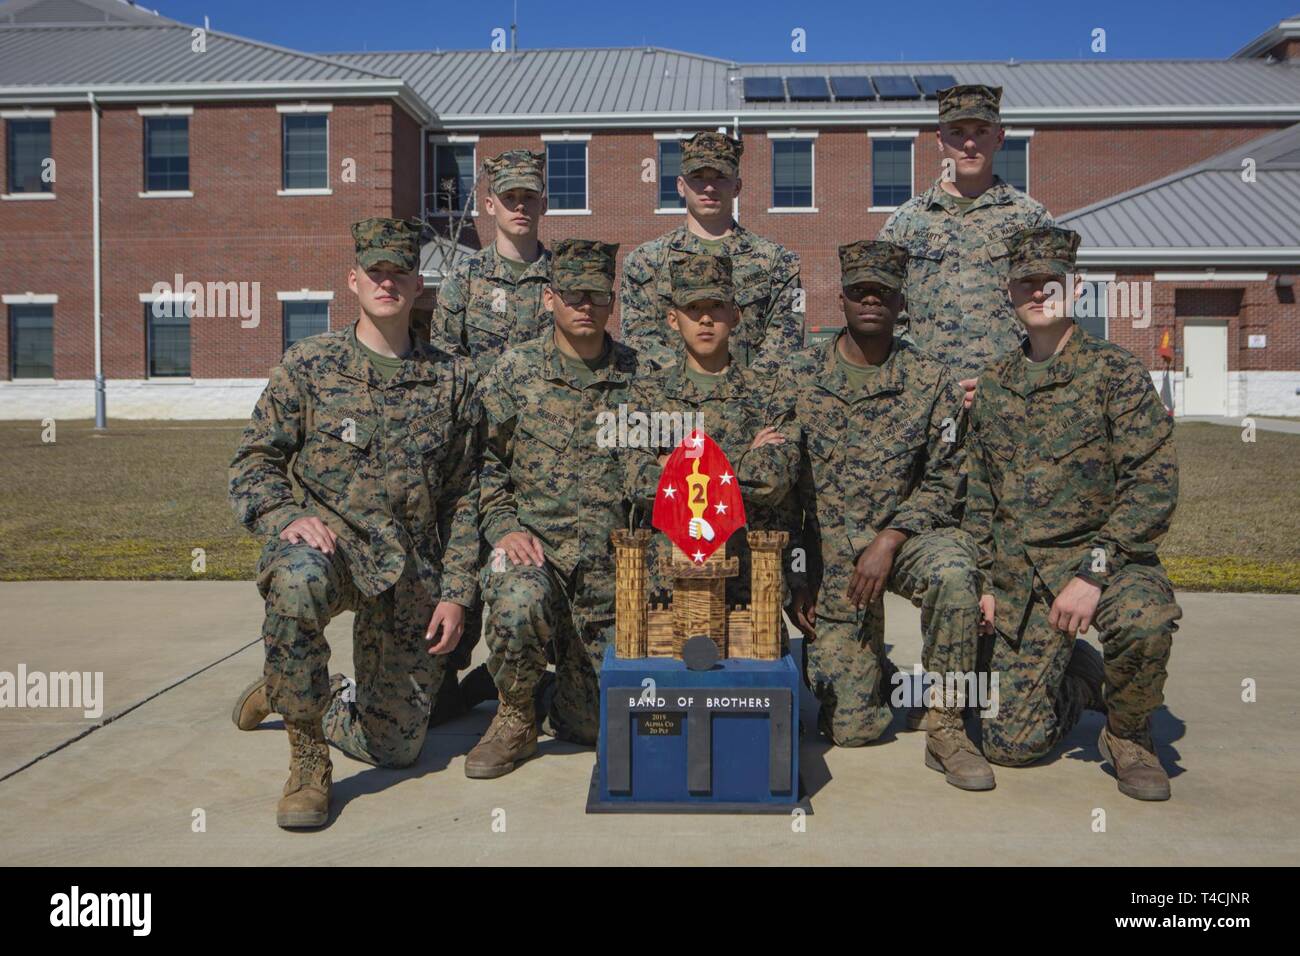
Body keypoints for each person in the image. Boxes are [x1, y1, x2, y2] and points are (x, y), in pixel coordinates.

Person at [228, 217, 482, 827]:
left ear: (419, 283)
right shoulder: (311, 365)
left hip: (409, 571)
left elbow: (466, 495)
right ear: (354, 280)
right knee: (296, 577)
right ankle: (307, 758)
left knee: (396, 749)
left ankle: (298, 687)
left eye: (400, 272)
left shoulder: (452, 377)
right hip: (333, 553)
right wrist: (287, 515)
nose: (387, 282)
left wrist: (455, 592)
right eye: (376, 272)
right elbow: (254, 460)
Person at [965, 225, 1181, 801]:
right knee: (1011, 745)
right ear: (1009, 293)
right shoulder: (994, 384)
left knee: (1145, 619)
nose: (1039, 293)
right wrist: (984, 580)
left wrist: (1092, 573)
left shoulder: (1115, 375)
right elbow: (980, 492)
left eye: (1051, 282)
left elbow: (1152, 486)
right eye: (1026, 283)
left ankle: (1129, 734)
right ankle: (1083, 678)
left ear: (1076, 289)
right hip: (1021, 577)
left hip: (1105, 563)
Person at [780, 240, 993, 790]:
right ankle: (880, 677)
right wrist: (797, 575)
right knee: (851, 728)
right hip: (829, 556)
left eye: (883, 292)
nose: (870, 300)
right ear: (843, 300)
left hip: (905, 540)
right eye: (859, 291)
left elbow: (946, 477)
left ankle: (946, 724)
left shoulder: (932, 381)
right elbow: (782, 490)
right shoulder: (798, 376)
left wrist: (891, 537)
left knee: (953, 575)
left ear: (901, 303)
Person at [465, 239, 646, 778]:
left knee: (593, 727)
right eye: (572, 294)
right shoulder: (514, 373)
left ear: (612, 301)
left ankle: (540, 683)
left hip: (611, 573)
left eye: (596, 294)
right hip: (537, 558)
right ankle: (515, 714)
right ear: (550, 299)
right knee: (515, 595)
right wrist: (502, 528)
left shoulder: (643, 376)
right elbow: (484, 465)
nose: (584, 305)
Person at [431, 147, 554, 717]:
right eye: (510, 199)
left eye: (530, 197)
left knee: (521, 576)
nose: (521, 207)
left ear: (544, 203)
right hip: (468, 462)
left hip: (535, 463)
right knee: (454, 585)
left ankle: (508, 678)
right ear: (489, 205)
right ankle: (450, 677)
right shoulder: (463, 283)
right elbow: (442, 373)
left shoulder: (564, 283)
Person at [623, 253, 800, 613]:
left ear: (735, 315)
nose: (705, 318)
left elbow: (773, 479)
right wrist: (742, 460)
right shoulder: (646, 394)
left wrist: (673, 464)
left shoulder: (772, 391)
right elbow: (636, 481)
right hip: (668, 591)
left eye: (716, 307)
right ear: (673, 319)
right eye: (693, 308)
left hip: (751, 593)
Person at [878, 84, 1053, 405]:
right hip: (924, 403)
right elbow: (885, 314)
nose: (969, 144)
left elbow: (1056, 311)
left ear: (999, 137)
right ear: (940, 140)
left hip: (1012, 401)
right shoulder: (904, 223)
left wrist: (1012, 378)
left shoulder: (1032, 221)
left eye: (981, 131)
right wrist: (924, 378)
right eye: (957, 132)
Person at [620, 131, 802, 374]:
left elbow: (786, 339)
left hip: (751, 403)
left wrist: (745, 388)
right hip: (672, 403)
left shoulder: (778, 262)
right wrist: (692, 384)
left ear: (737, 186)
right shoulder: (645, 262)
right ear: (681, 186)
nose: (709, 186)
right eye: (697, 177)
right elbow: (638, 337)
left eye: (720, 176)